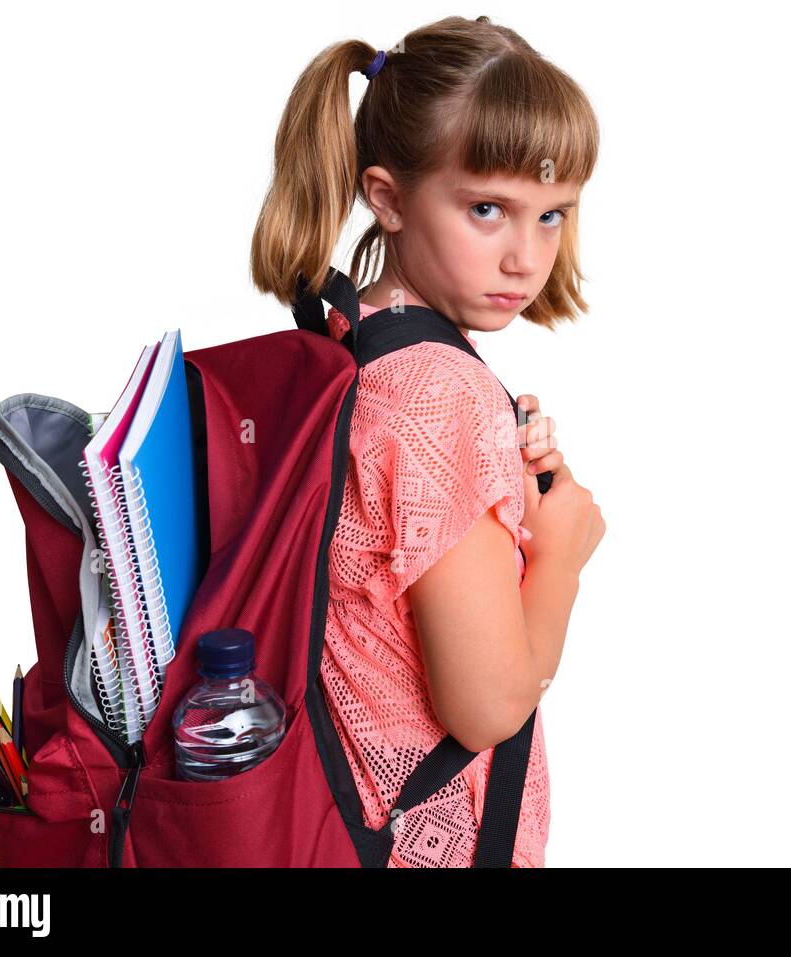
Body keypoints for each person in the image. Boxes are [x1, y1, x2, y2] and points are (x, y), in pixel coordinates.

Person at [249, 15, 606, 867]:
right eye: (488, 209)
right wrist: (559, 554)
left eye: (552, 215)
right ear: (388, 196)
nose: (528, 256)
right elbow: (485, 708)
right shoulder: (438, 390)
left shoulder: (352, 334)